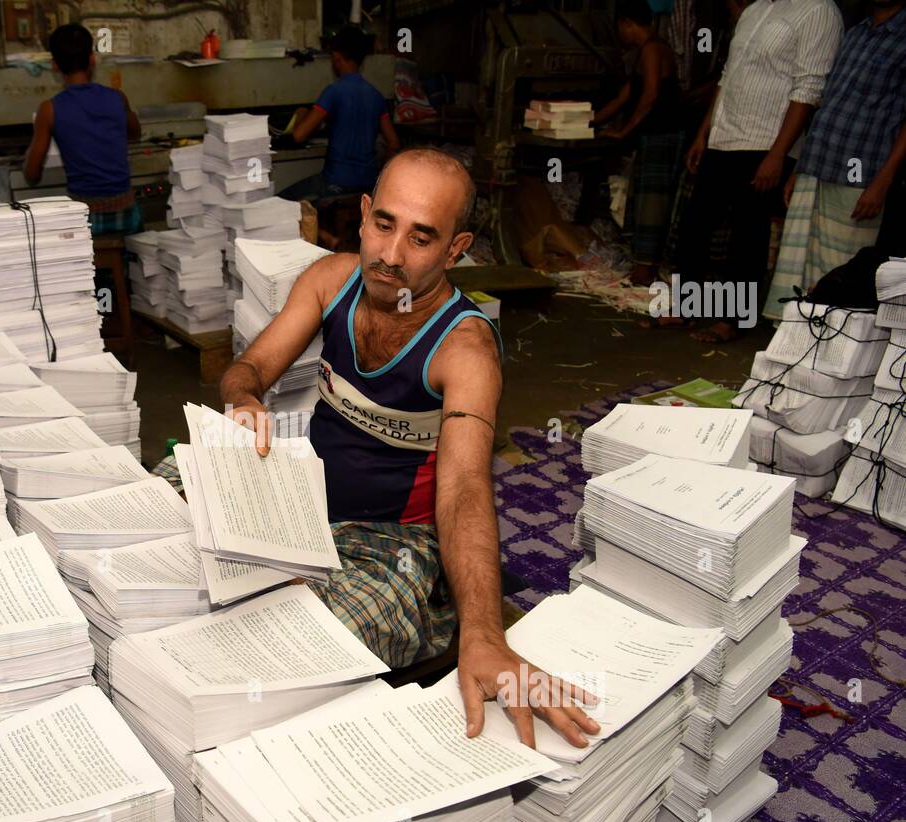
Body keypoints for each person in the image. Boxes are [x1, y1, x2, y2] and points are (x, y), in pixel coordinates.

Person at [221, 147, 599, 750]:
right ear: (365, 213)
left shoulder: (465, 350)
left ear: (455, 249)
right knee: (167, 502)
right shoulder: (329, 282)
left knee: (314, 642)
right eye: (384, 225)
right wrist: (244, 401)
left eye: (422, 239)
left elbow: (465, 488)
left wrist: (484, 633)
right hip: (303, 502)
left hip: (394, 543)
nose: (391, 257)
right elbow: (250, 366)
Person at [661, 0, 843, 340]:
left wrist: (778, 154)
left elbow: (809, 88)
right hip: (724, 137)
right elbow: (728, 77)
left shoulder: (818, 10)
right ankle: (684, 309)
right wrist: (704, 133)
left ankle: (733, 320)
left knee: (747, 233)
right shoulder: (756, 9)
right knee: (695, 223)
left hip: (767, 142)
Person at [763, 0, 906, 320]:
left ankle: (828, 343)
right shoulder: (855, 31)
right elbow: (829, 101)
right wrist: (800, 167)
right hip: (820, 163)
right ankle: (796, 335)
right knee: (801, 260)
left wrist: (882, 183)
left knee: (843, 270)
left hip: (862, 172)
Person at [594, 0, 685, 286]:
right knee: (643, 198)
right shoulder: (647, 51)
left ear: (626, 23)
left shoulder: (652, 49)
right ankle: (642, 263)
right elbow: (624, 96)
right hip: (652, 136)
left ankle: (646, 269)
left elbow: (650, 95)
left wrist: (624, 132)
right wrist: (586, 122)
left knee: (652, 203)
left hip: (663, 134)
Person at [22, 23, 142, 235]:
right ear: (92, 59)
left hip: (86, 224)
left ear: (55, 66)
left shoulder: (49, 110)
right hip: (127, 217)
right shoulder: (118, 98)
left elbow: (32, 175)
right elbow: (135, 135)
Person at [276, 26, 401, 203]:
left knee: (279, 202)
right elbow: (394, 142)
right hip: (368, 183)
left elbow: (299, 135)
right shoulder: (376, 96)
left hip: (335, 183)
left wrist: (303, 114)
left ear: (336, 58)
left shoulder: (333, 91)